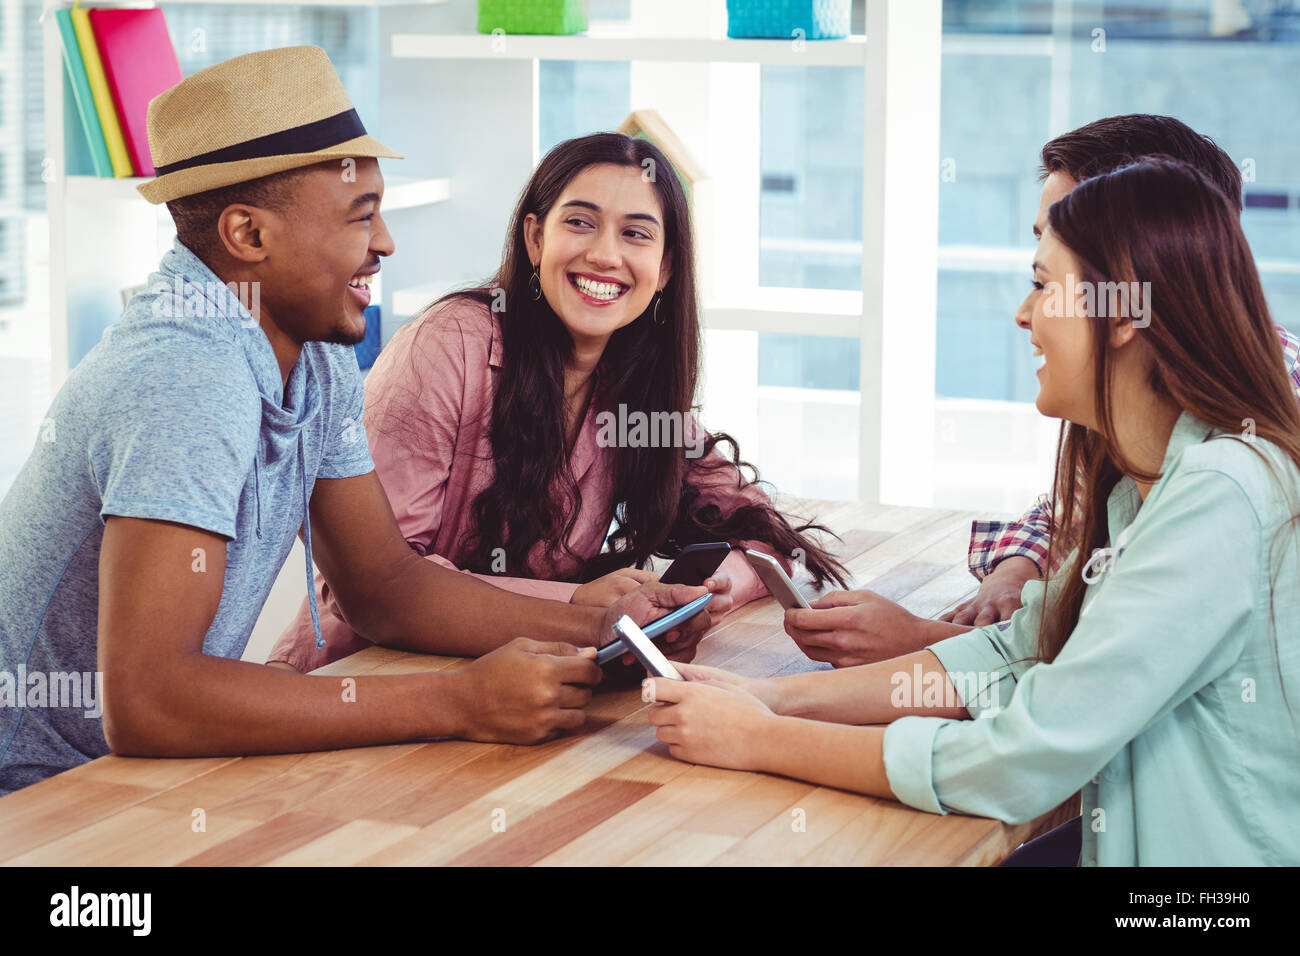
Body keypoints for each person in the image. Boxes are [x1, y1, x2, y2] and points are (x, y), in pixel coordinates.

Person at [0, 47, 711, 797]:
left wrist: (601, 630)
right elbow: (149, 703)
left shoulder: (312, 350)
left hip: (131, 781)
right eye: (359, 216)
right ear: (249, 236)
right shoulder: (186, 373)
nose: (385, 243)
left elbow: (383, 583)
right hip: (40, 797)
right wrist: (456, 702)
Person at [642, 157, 1300, 865]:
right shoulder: (1147, 484)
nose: (1022, 314)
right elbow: (1025, 653)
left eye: (1044, 287)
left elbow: (1021, 758)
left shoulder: (1220, 495)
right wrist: (772, 699)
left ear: (1121, 317)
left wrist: (759, 740)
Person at [268, 132, 849, 673]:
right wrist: (581, 608)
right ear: (536, 238)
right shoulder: (451, 343)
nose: (604, 254)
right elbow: (379, 582)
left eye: (636, 234)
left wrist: (718, 585)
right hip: (360, 687)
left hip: (521, 694)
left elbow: (752, 518)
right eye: (580, 223)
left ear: (666, 268)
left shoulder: (632, 380)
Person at [785, 114, 1300, 667]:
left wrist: (921, 645)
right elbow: (1073, 512)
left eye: (1052, 267)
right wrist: (1017, 577)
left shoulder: (1231, 458)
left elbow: (1095, 694)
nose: (1026, 312)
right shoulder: (1141, 402)